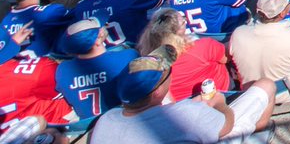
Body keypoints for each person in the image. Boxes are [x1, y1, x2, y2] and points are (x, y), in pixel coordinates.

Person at [88, 46, 276, 144]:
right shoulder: (186, 113)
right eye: (167, 71)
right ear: (158, 92)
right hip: (216, 125)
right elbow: (226, 125)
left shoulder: (105, 120)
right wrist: (219, 103)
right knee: (266, 86)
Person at [138, 8, 231, 101]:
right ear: (180, 30)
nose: (185, 21)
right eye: (183, 21)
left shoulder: (149, 61)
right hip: (220, 96)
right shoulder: (202, 46)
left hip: (181, 106)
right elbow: (227, 57)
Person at [54, 17, 139, 120]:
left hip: (88, 126)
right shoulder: (128, 56)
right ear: (97, 39)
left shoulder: (63, 69)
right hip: (123, 120)